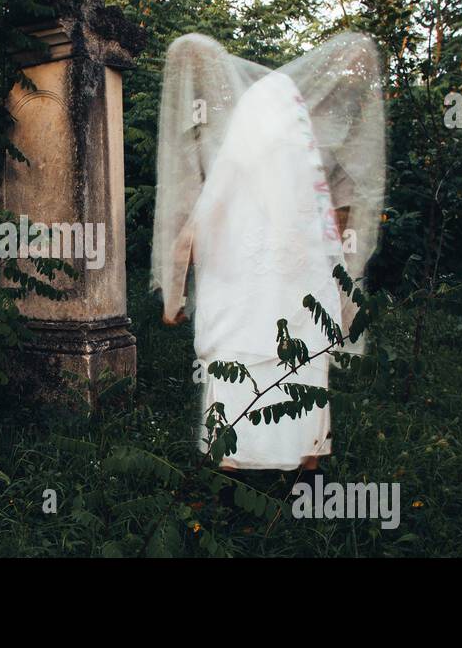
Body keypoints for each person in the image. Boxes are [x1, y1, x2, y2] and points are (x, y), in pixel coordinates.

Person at [152, 32, 386, 473]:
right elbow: (337, 261)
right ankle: (306, 465)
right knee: (304, 375)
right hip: (297, 318)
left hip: (237, 310)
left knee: (234, 379)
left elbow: (188, 235)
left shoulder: (231, 170)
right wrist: (346, 313)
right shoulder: (309, 196)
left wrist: (173, 303)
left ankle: (232, 471)